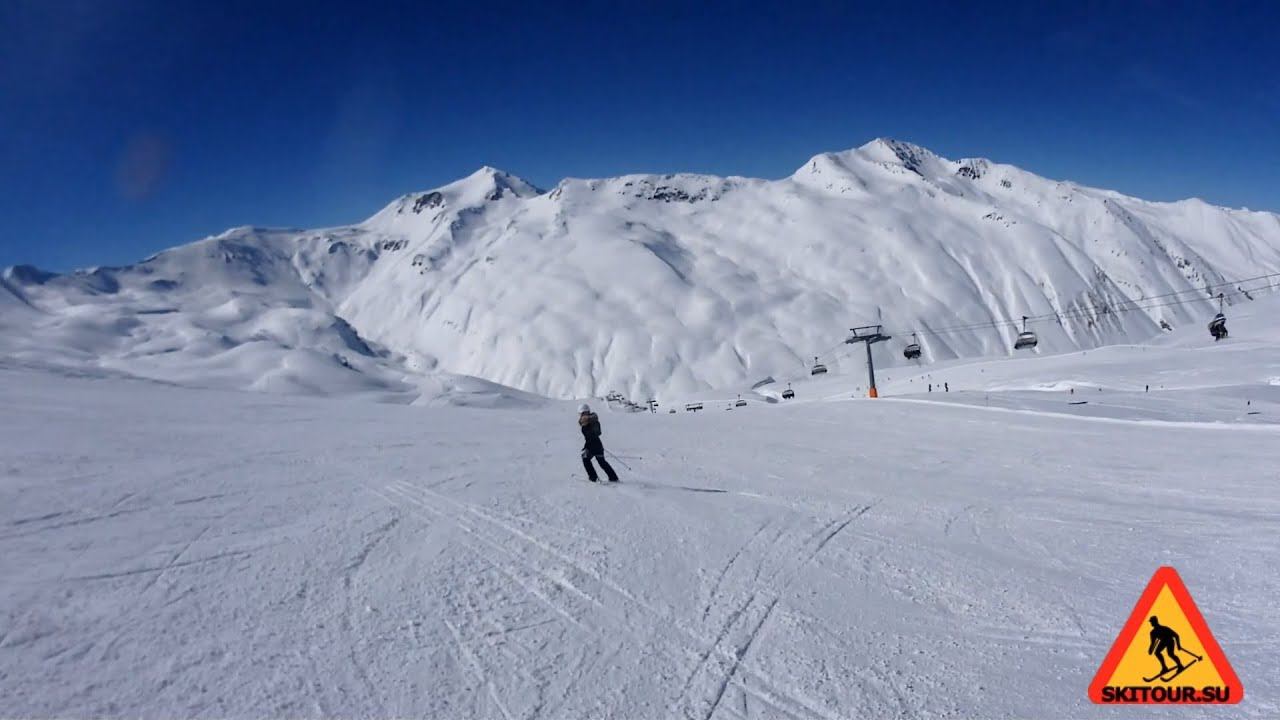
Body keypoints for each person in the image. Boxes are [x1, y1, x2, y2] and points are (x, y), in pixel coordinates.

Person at [578, 404, 619, 483]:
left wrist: (586, 447)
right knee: (601, 462)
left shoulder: (588, 423)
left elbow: (592, 436)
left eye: (580, 414)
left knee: (585, 459)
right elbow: (597, 434)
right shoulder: (593, 421)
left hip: (593, 446)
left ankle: (593, 478)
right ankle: (613, 477)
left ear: (582, 413)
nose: (580, 416)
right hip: (598, 445)